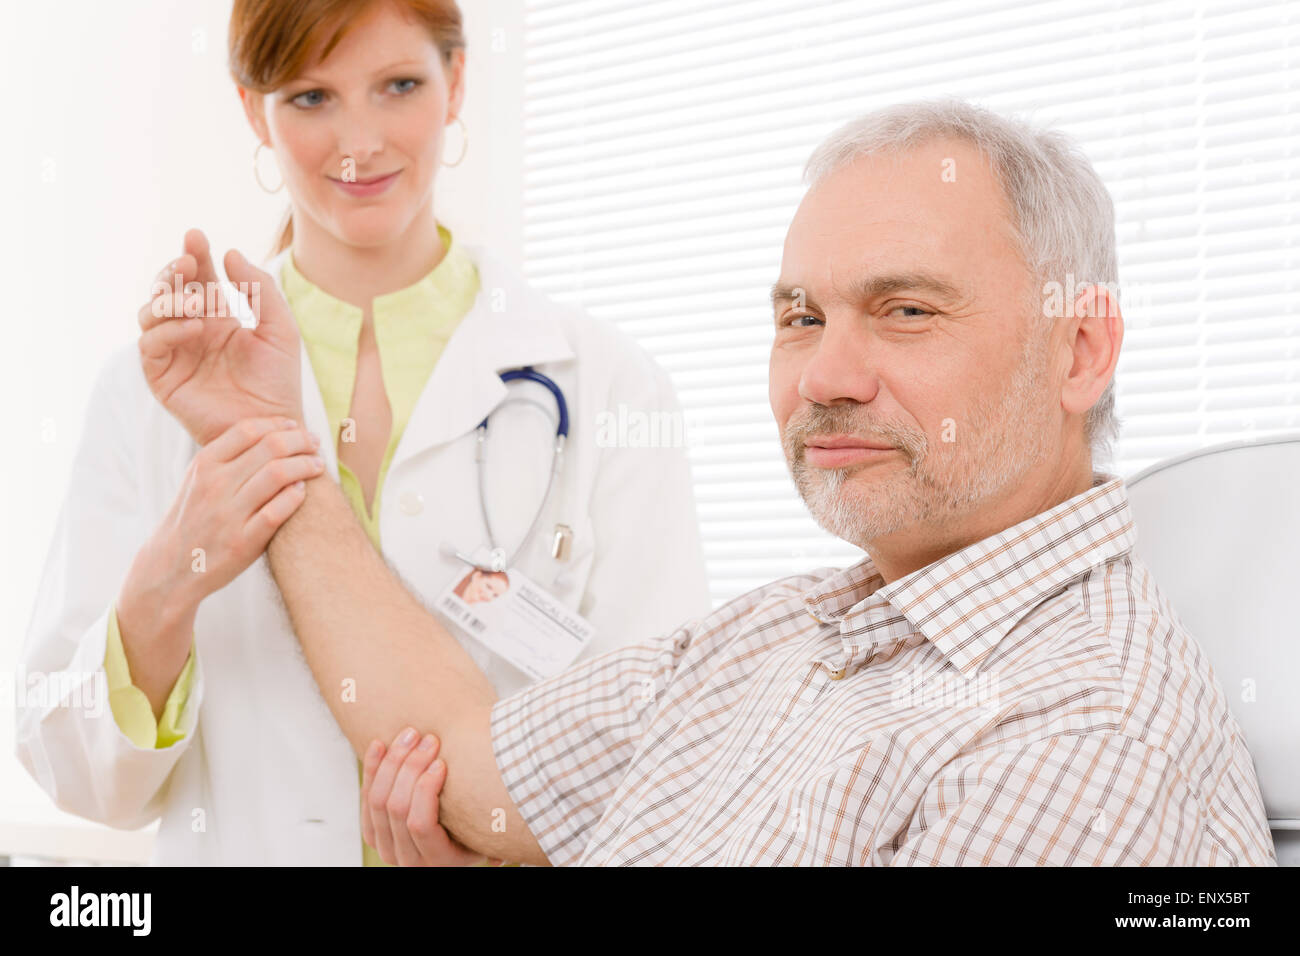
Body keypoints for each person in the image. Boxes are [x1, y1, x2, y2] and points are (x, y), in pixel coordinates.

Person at [129, 96, 1279, 866]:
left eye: (907, 310)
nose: (824, 373)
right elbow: (463, 759)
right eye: (799, 317)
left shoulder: (1079, 735)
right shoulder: (786, 635)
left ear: (1078, 350)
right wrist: (274, 436)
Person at [14, 0, 709, 866]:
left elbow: (668, 759)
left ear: (456, 83)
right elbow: (76, 775)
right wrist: (173, 573)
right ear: (250, 108)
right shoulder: (147, 394)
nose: (358, 142)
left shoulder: (607, 384)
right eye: (312, 98)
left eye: (399, 86)